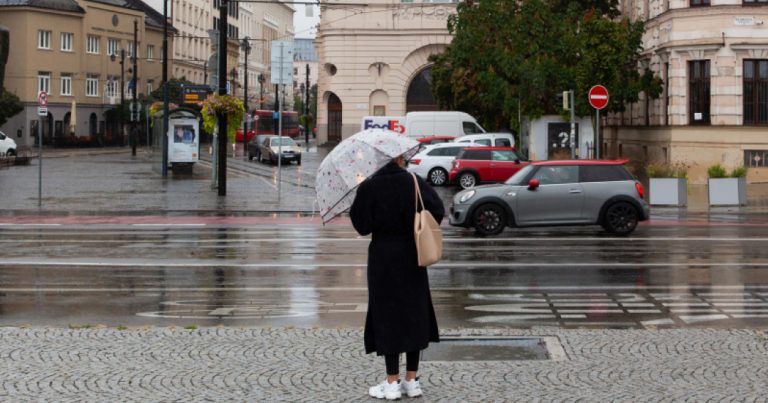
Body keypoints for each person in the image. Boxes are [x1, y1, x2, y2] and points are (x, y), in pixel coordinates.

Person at [349, 154, 445, 400]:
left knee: (387, 314)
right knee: (414, 313)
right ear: (400, 158)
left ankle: (392, 382)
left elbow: (361, 225)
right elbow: (438, 210)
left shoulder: (370, 186)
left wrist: (362, 194)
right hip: (413, 255)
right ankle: (412, 381)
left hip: (383, 258)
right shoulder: (414, 181)